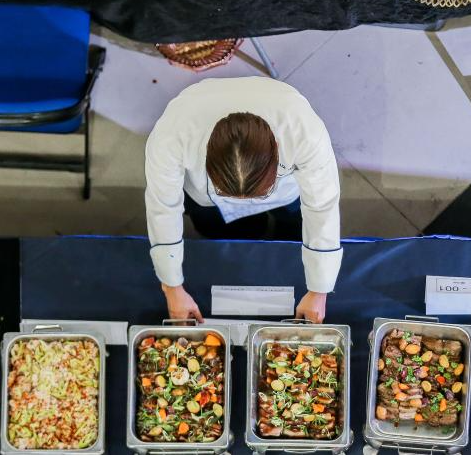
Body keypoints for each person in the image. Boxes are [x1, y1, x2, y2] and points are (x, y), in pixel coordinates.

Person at [145, 77, 342, 323]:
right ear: (206, 153)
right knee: (220, 230)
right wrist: (172, 287)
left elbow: (322, 206)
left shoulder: (303, 130)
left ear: (277, 146)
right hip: (208, 202)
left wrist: (319, 290)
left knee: (289, 231)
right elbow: (162, 206)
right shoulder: (171, 135)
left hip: (287, 194)